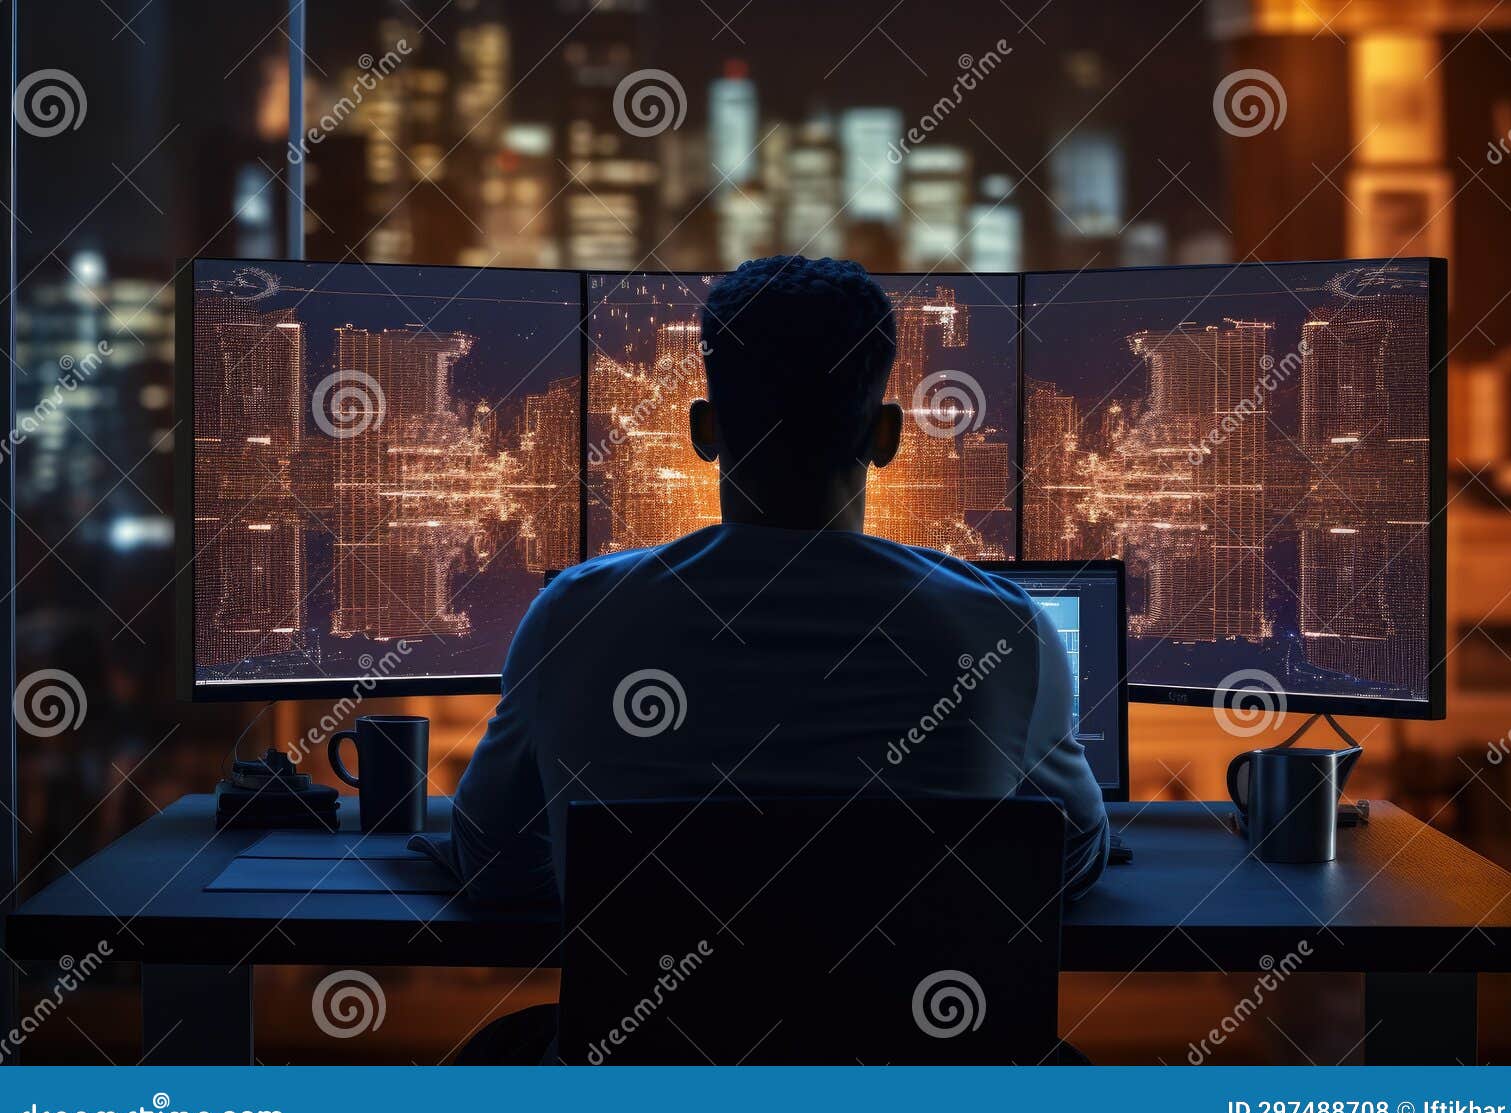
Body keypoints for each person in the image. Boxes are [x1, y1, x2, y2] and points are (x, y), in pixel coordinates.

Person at [437, 256, 1108, 912]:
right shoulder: (1004, 630)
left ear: (704, 431)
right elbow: (1070, 856)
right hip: (916, 1024)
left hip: (657, 1027)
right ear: (886, 435)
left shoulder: (575, 618)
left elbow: (494, 865)